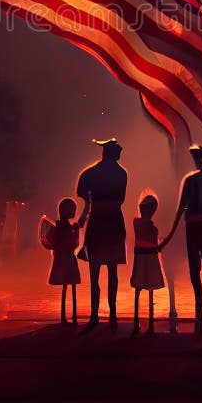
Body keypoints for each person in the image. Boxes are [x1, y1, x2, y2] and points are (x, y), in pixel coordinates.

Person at [160, 144, 202, 336]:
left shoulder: (191, 179)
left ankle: (199, 306)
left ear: (195, 159)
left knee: (195, 268)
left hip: (195, 226)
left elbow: (181, 209)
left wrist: (170, 234)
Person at [76, 138, 128, 330]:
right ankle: (112, 314)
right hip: (113, 220)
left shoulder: (89, 173)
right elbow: (121, 198)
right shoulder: (122, 174)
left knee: (94, 271)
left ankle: (95, 314)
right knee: (112, 271)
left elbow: (84, 196)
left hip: (98, 221)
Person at [46, 197, 85, 325]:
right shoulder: (68, 227)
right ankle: (73, 317)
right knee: (72, 287)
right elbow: (74, 244)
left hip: (61, 259)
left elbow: (53, 242)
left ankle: (64, 316)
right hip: (68, 259)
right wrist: (76, 231)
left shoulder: (56, 226)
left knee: (65, 288)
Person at [130, 191, 165, 335]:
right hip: (147, 258)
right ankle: (145, 322)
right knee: (145, 289)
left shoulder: (139, 223)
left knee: (143, 290)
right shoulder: (145, 225)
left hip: (145, 257)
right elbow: (152, 242)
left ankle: (143, 322)